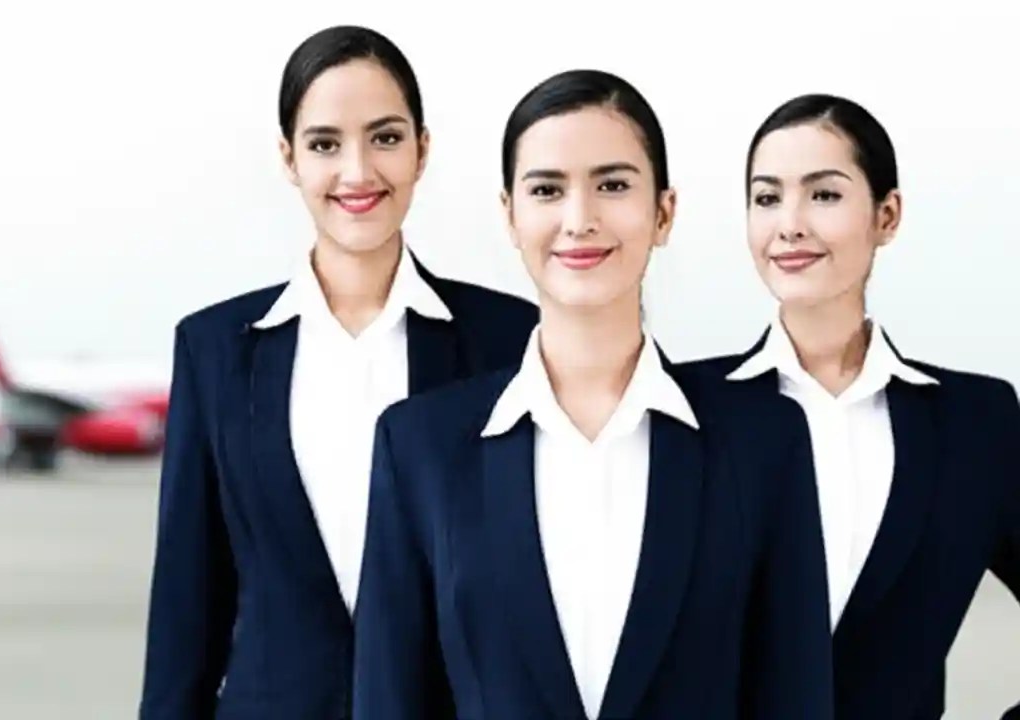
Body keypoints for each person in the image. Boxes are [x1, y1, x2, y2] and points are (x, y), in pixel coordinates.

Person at [351, 68, 834, 720]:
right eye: (547, 189)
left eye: (612, 185)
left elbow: (796, 698)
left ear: (663, 212)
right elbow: (390, 702)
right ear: (511, 216)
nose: (579, 219)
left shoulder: (763, 439)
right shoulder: (420, 446)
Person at [137, 24, 537, 720]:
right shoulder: (215, 352)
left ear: (423, 148)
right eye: (325, 144)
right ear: (290, 158)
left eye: (384, 137)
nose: (358, 172)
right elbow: (187, 603)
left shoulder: (507, 340)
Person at [685, 93, 1020, 719]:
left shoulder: (979, 422)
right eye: (766, 197)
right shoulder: (683, 411)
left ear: (886, 215)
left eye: (824, 195)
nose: (789, 223)